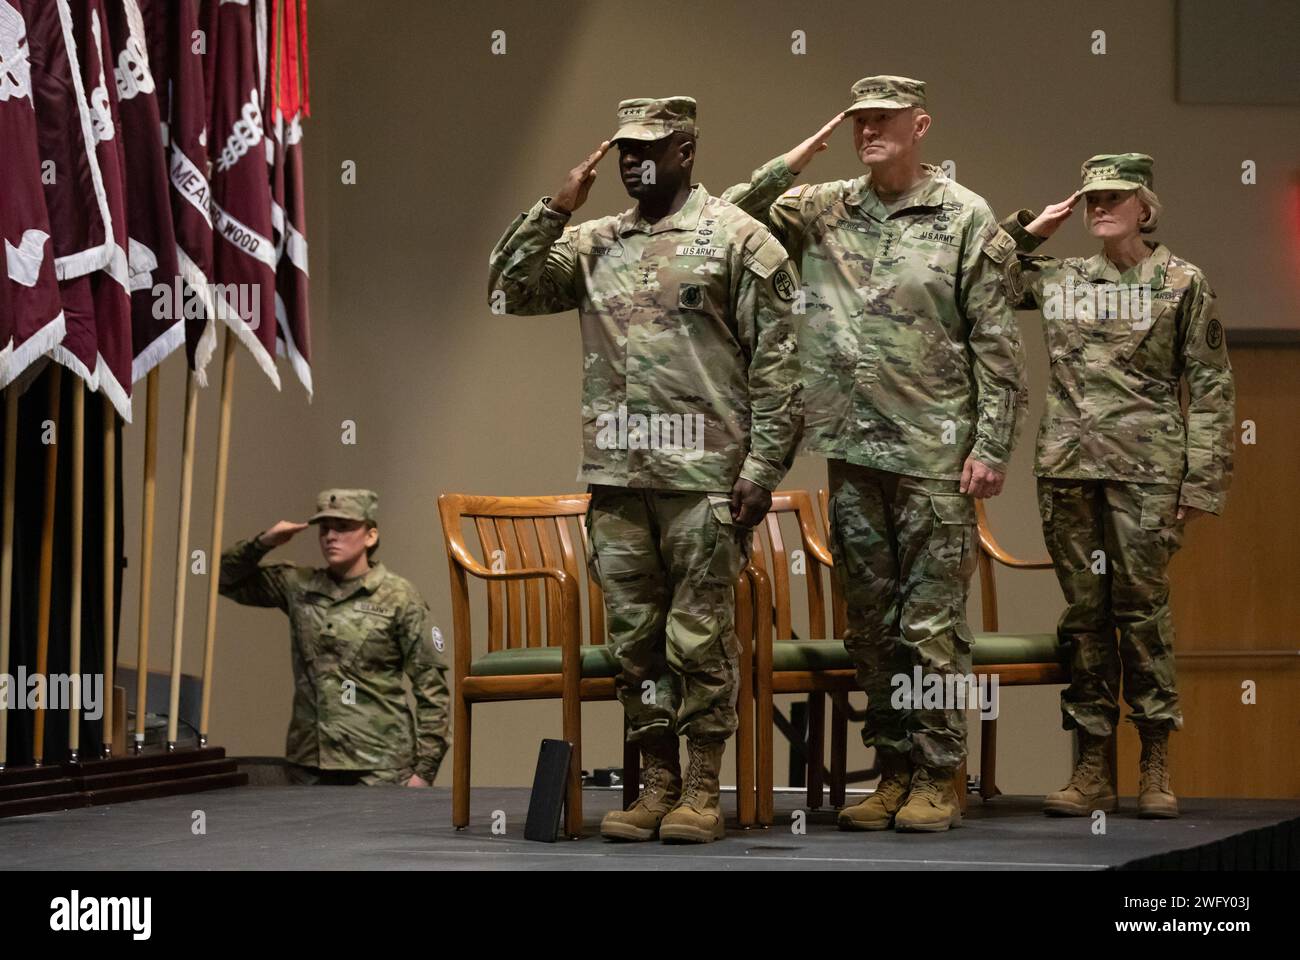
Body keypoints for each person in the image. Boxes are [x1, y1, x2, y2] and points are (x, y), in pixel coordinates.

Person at [488, 96, 802, 843]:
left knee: (700, 638)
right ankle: (655, 781)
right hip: (619, 480)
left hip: (705, 480)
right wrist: (552, 208)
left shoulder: (739, 240)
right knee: (636, 645)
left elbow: (783, 369)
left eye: (650, 148)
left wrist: (762, 468)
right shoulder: (594, 242)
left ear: (687, 151)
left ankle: (701, 789)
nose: (634, 161)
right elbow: (509, 291)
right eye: (625, 148)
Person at [724, 76, 1028, 832]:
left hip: (933, 453)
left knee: (931, 627)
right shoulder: (824, 206)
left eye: (883, 120)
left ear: (920, 124)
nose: (868, 132)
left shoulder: (965, 215)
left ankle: (937, 774)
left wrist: (991, 447)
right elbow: (730, 217)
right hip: (851, 448)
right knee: (872, 627)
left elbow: (997, 344)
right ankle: (892, 771)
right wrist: (797, 158)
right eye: (859, 121)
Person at [1001, 154, 1235, 819]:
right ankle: (1092, 767)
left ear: (1145, 207)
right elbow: (977, 276)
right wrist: (1028, 229)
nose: (1099, 207)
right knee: (1084, 618)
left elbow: (1212, 387)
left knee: (1143, 615)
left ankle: (1155, 758)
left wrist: (1201, 478)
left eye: (1113, 197)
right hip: (1070, 470)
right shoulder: (1063, 277)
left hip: (1148, 473)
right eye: (1091, 197)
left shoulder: (1182, 282)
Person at [219, 489, 450, 786]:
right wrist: (263, 542)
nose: (330, 536)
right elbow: (222, 577)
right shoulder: (299, 586)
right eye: (324, 528)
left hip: (380, 767)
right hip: (309, 764)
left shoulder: (399, 597)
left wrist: (424, 772)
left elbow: (432, 687)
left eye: (343, 527)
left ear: (370, 535)